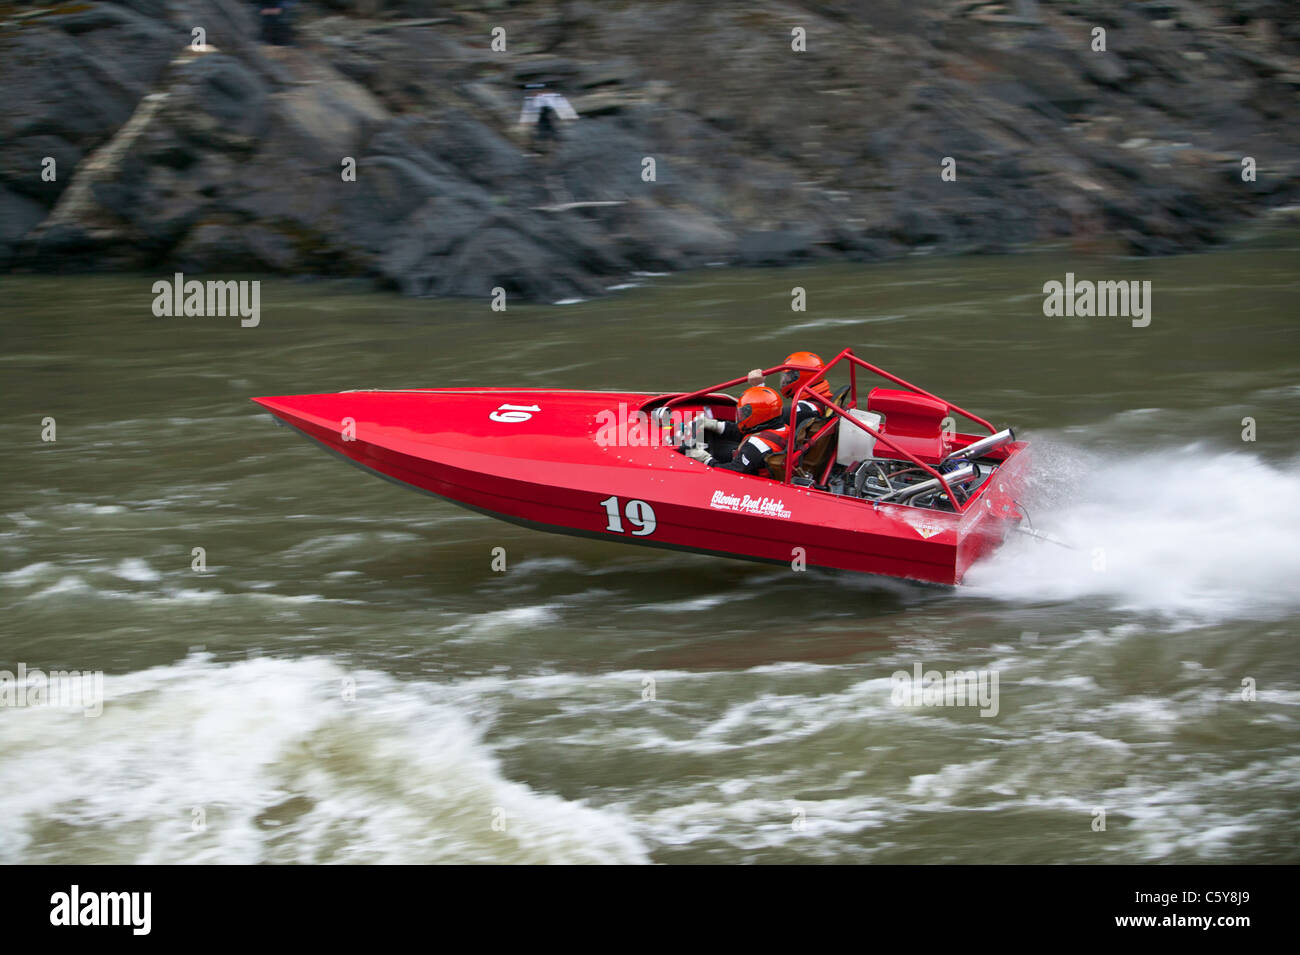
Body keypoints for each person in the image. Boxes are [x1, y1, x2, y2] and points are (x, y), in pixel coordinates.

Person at [682, 386, 789, 475]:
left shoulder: (757, 445)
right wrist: (717, 425)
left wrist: (706, 459)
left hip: (749, 483)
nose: (741, 416)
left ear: (758, 415)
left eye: (744, 413)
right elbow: (745, 432)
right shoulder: (783, 428)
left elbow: (731, 472)